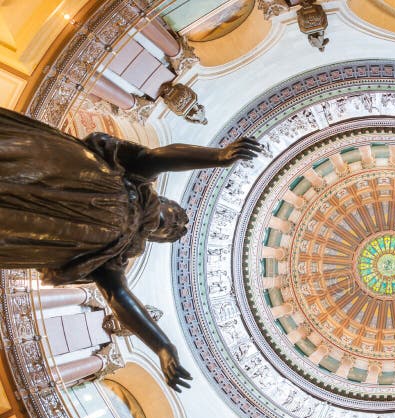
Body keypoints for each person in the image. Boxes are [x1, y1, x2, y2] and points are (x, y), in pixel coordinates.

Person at [0, 107, 262, 392]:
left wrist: (163, 346)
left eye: (172, 232)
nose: (174, 225)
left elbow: (118, 296)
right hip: (66, 174)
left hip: (44, 229)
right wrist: (217, 156)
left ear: (156, 240)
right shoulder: (134, 180)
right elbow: (157, 157)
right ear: (164, 199)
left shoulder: (115, 254)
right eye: (176, 216)